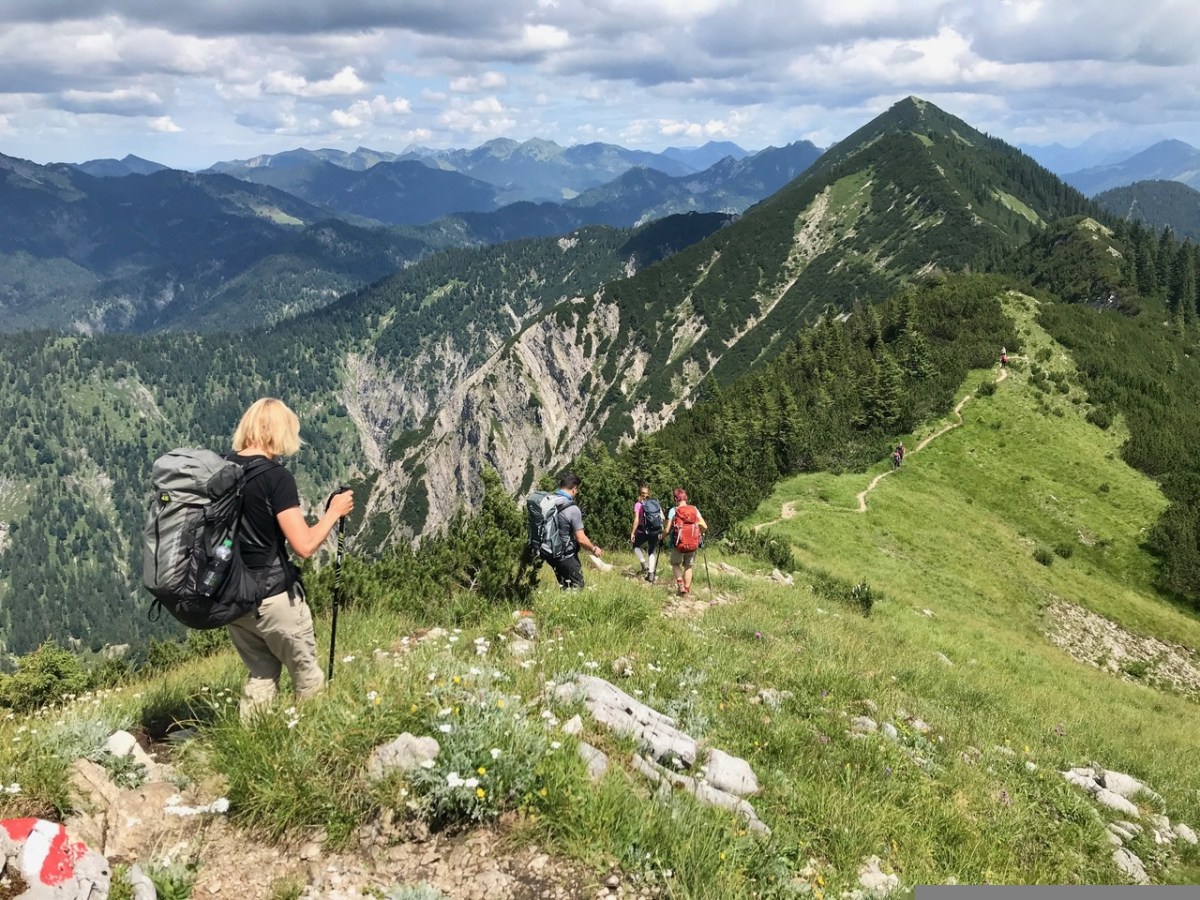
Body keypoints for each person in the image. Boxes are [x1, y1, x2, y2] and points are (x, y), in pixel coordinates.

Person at [226, 397, 354, 719]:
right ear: (280, 432)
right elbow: (304, 545)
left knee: (262, 674)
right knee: (307, 679)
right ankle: (310, 746)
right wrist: (333, 513)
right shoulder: (275, 477)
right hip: (273, 599)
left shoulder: (223, 470)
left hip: (233, 600)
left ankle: (249, 751)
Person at [549, 472, 602, 589]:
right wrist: (594, 549)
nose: (576, 493)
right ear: (573, 489)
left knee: (564, 585)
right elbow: (581, 539)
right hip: (565, 554)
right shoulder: (572, 509)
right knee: (578, 586)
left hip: (549, 552)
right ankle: (571, 606)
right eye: (576, 489)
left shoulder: (550, 502)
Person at [666, 488, 707, 595]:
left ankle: (681, 585)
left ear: (675, 498)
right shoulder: (694, 509)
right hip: (693, 542)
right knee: (688, 566)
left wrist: (661, 536)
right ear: (686, 498)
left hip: (678, 543)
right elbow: (704, 526)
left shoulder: (673, 510)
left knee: (675, 564)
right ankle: (687, 590)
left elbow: (667, 529)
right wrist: (699, 534)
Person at [630, 483, 663, 583]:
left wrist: (632, 532)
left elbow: (636, 520)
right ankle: (651, 575)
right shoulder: (655, 503)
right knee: (652, 551)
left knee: (635, 546)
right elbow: (662, 517)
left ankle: (644, 564)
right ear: (649, 494)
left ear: (639, 494)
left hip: (642, 530)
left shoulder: (638, 505)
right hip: (655, 530)